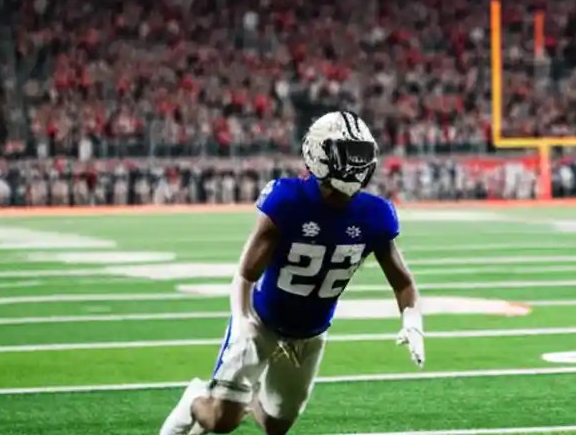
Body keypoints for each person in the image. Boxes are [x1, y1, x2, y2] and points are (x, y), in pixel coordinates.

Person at [160, 111, 425, 435]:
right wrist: (243, 321)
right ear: (319, 154)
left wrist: (412, 323)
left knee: (275, 426)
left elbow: (403, 282)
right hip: (262, 322)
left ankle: (244, 395)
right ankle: (195, 399)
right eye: (349, 155)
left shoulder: (376, 215)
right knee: (221, 421)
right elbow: (245, 275)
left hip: (311, 332)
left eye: (363, 157)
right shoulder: (288, 200)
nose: (358, 166)